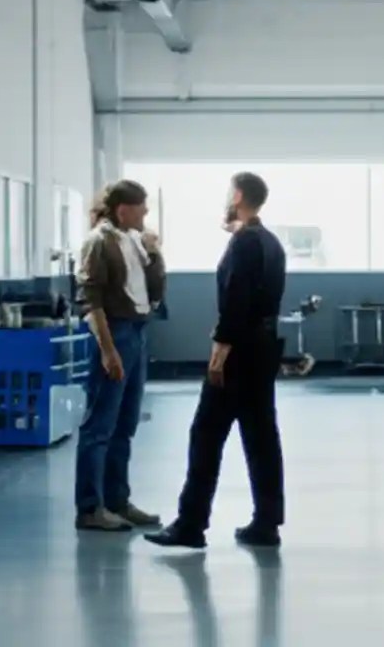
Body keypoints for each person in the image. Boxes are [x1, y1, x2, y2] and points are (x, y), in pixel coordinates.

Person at [146, 171, 287, 549]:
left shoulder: (244, 243)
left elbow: (236, 300)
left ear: (238, 195)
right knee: (261, 436)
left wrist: (219, 352)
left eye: (229, 192)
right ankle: (267, 521)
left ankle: (191, 524)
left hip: (238, 351)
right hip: (264, 347)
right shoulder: (270, 242)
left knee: (206, 434)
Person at [73, 179, 167, 532]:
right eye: (142, 206)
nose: (146, 212)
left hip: (137, 331)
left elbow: (156, 289)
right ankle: (89, 508)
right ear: (123, 209)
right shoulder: (98, 241)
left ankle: (117, 500)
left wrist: (155, 252)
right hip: (115, 332)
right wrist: (108, 350)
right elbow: (91, 301)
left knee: (124, 424)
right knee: (99, 425)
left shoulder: (132, 240)